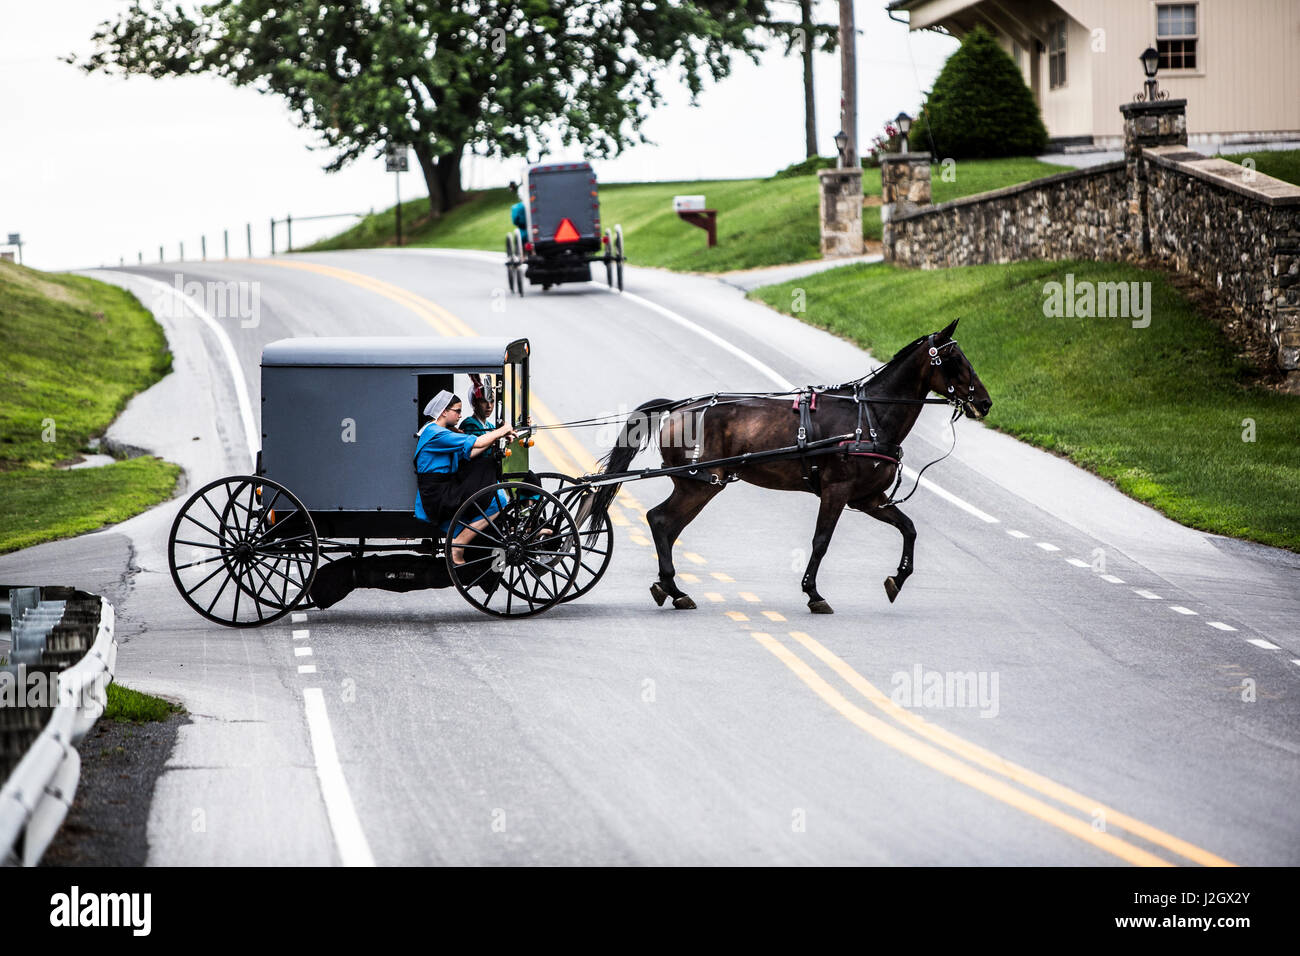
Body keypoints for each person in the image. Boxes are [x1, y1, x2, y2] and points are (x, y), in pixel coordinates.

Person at [413, 390, 516, 565]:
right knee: (496, 499)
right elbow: (477, 443)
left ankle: (500, 531)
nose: (461, 415)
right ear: (444, 411)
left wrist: (496, 438)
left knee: (486, 466)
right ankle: (458, 544)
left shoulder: (439, 430)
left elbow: (472, 451)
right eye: (458, 411)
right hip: (437, 493)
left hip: (444, 486)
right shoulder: (437, 433)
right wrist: (502, 430)